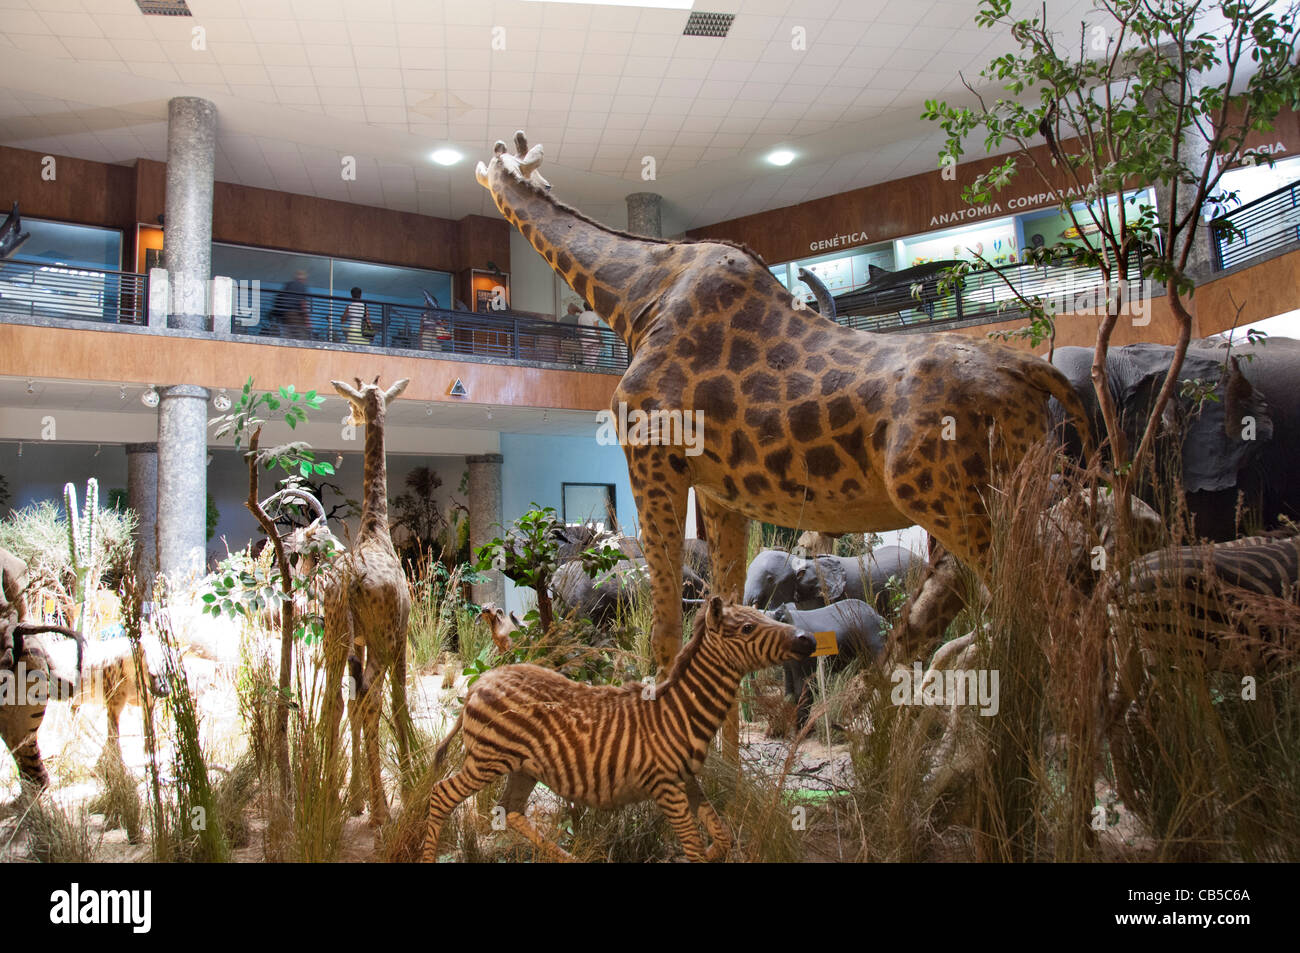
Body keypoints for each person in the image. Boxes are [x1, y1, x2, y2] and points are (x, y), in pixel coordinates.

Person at [268, 269, 311, 338]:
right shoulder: (301, 286)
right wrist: (307, 322)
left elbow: (279, 298)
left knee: (288, 333)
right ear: (303, 279)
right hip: (294, 314)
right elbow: (303, 304)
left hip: (284, 315)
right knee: (302, 336)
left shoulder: (288, 285)